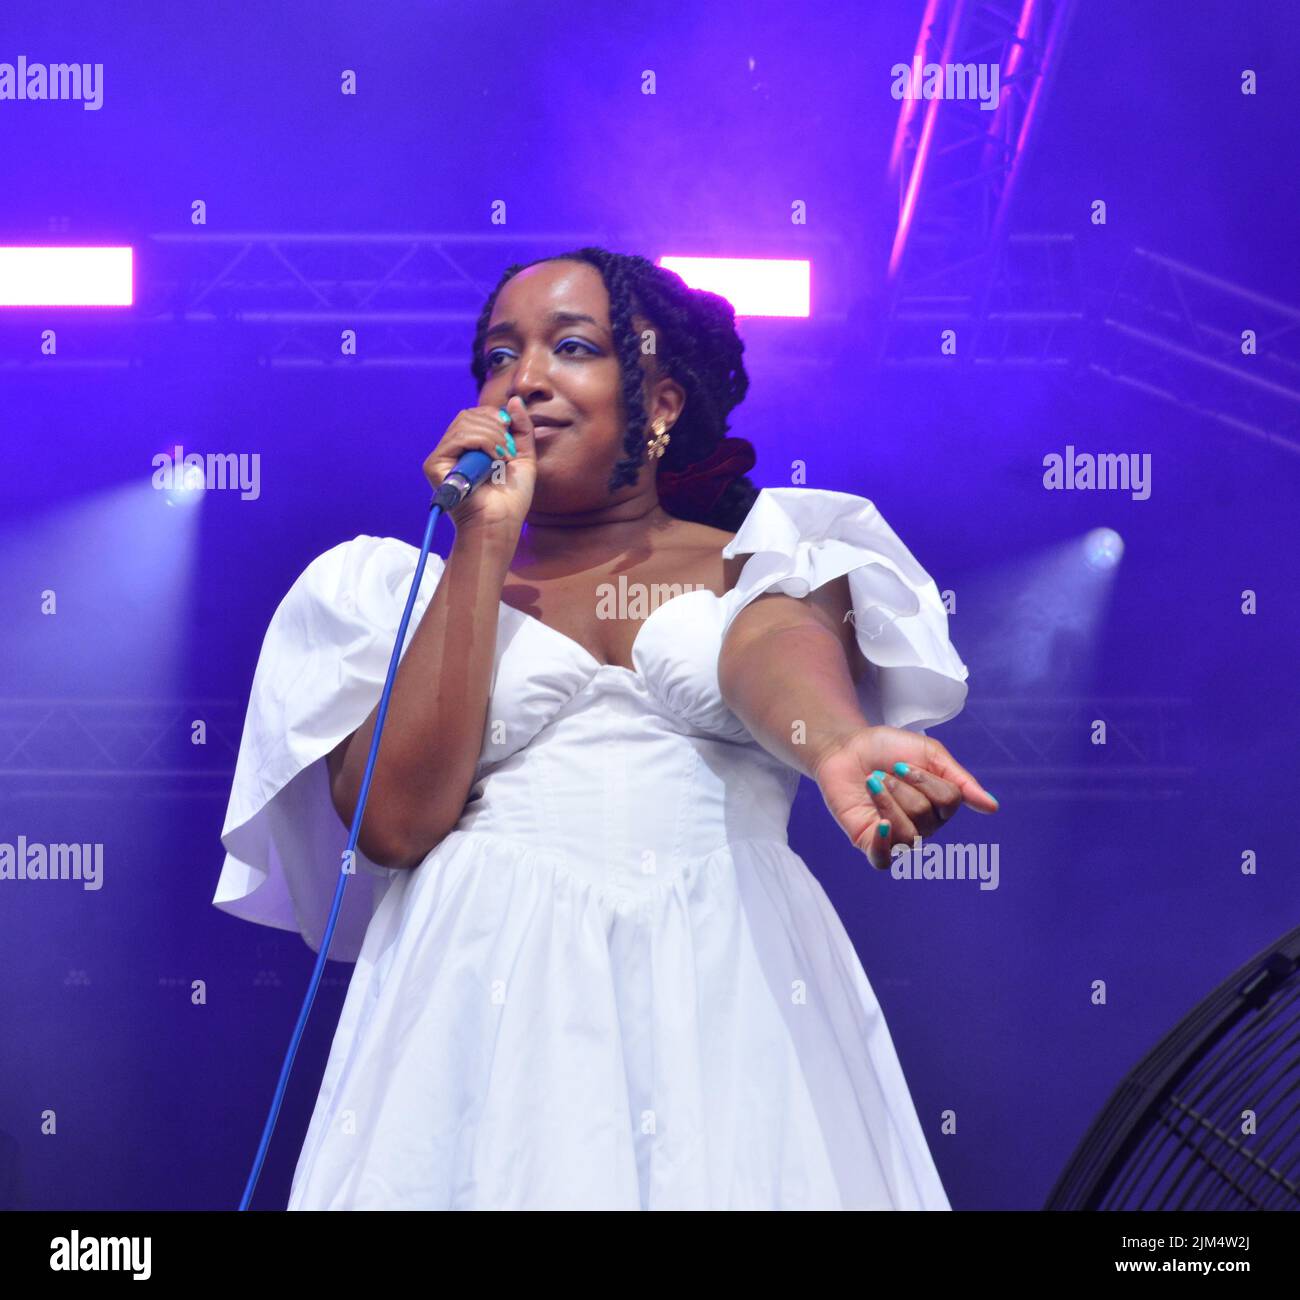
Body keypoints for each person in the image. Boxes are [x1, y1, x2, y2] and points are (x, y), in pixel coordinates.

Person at [213, 247, 997, 1210]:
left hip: (725, 971)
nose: (526, 378)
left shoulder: (764, 558)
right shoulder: (393, 589)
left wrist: (836, 742)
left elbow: (775, 652)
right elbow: (394, 825)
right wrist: (485, 541)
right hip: (481, 992)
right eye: (500, 357)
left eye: (572, 346)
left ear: (661, 403)